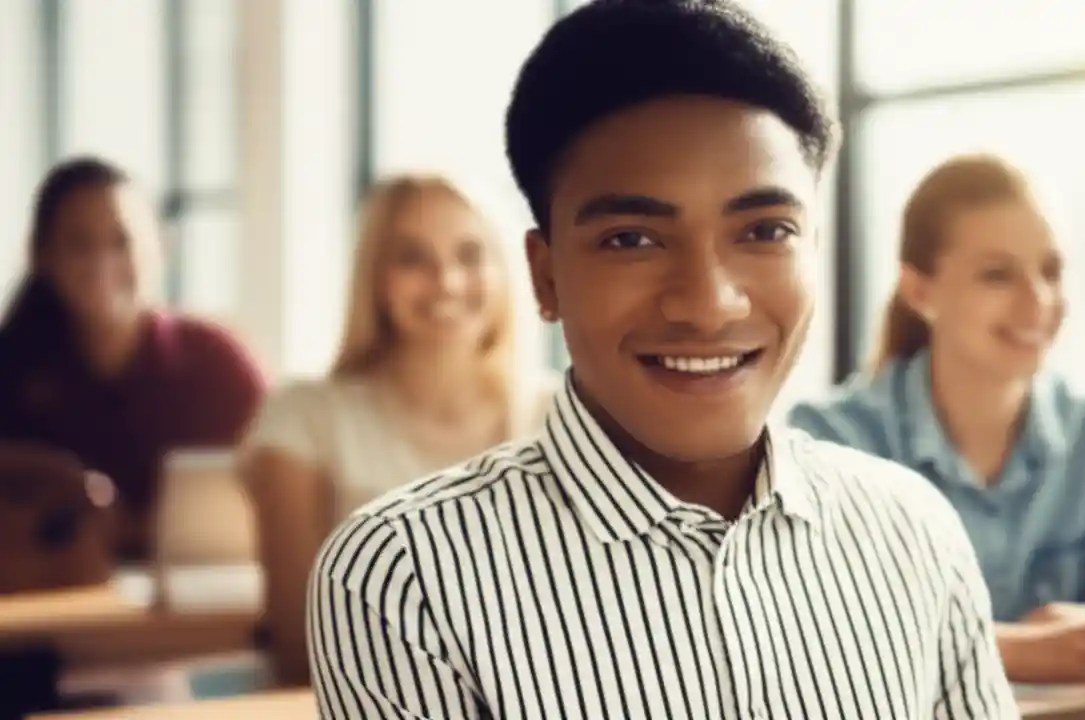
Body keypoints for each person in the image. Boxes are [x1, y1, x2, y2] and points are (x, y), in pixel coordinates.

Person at [308, 3, 1016, 718]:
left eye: (766, 230)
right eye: (631, 240)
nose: (709, 305)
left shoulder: (912, 529)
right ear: (546, 277)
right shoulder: (404, 578)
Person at [790, 154, 1085, 686]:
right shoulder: (830, 440)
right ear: (919, 291)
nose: (1038, 301)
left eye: (1050, 271)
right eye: (998, 275)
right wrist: (1019, 649)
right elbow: (806, 626)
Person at [242, 174, 553, 686]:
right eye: (413, 257)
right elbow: (299, 649)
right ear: (376, 279)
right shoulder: (303, 419)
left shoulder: (566, 417)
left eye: (470, 254)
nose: (447, 282)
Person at [0, 157, 265, 561]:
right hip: (51, 605)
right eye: (78, 243)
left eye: (121, 241)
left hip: (196, 605)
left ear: (159, 248)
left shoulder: (217, 364)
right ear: (42, 256)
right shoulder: (14, 368)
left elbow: (271, 486)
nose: (101, 262)